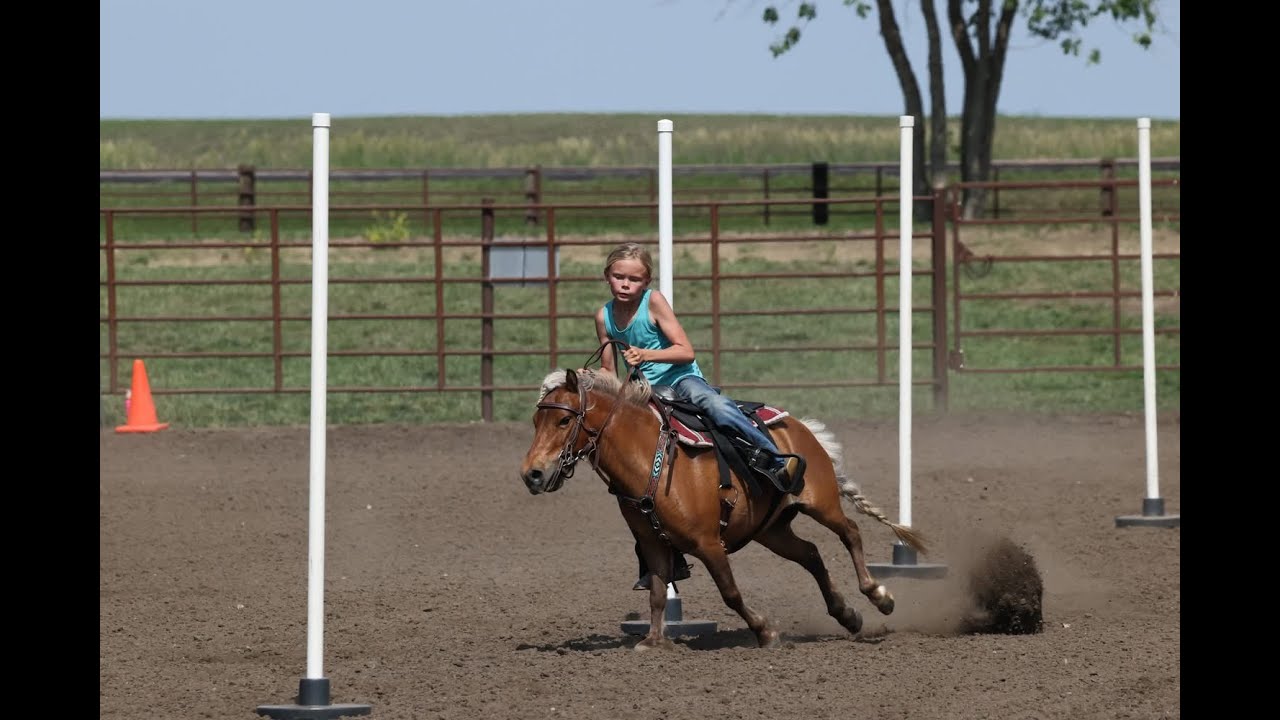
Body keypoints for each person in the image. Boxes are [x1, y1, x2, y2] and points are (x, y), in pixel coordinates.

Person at [595, 242, 800, 590]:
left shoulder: (654, 302)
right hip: (643, 393)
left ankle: (773, 457)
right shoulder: (604, 316)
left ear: (646, 282)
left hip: (682, 379)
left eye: (634, 278)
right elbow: (607, 369)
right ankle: (652, 554)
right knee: (631, 460)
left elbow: (684, 350)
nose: (626, 284)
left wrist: (644, 354)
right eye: (619, 277)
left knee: (717, 407)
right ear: (607, 277)